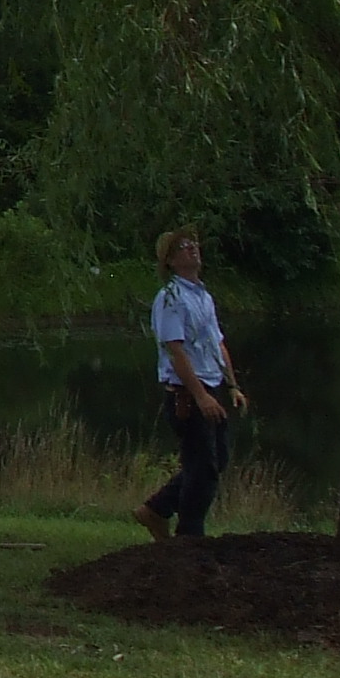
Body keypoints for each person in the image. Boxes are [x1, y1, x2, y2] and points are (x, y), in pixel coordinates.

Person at [135, 226, 247, 540]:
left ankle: (157, 508)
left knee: (217, 460)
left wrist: (233, 386)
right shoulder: (171, 298)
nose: (192, 248)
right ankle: (189, 539)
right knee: (202, 469)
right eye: (182, 247)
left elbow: (217, 344)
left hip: (213, 387)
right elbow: (176, 350)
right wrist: (199, 396)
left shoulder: (203, 296)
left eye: (193, 243)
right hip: (188, 394)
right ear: (169, 261)